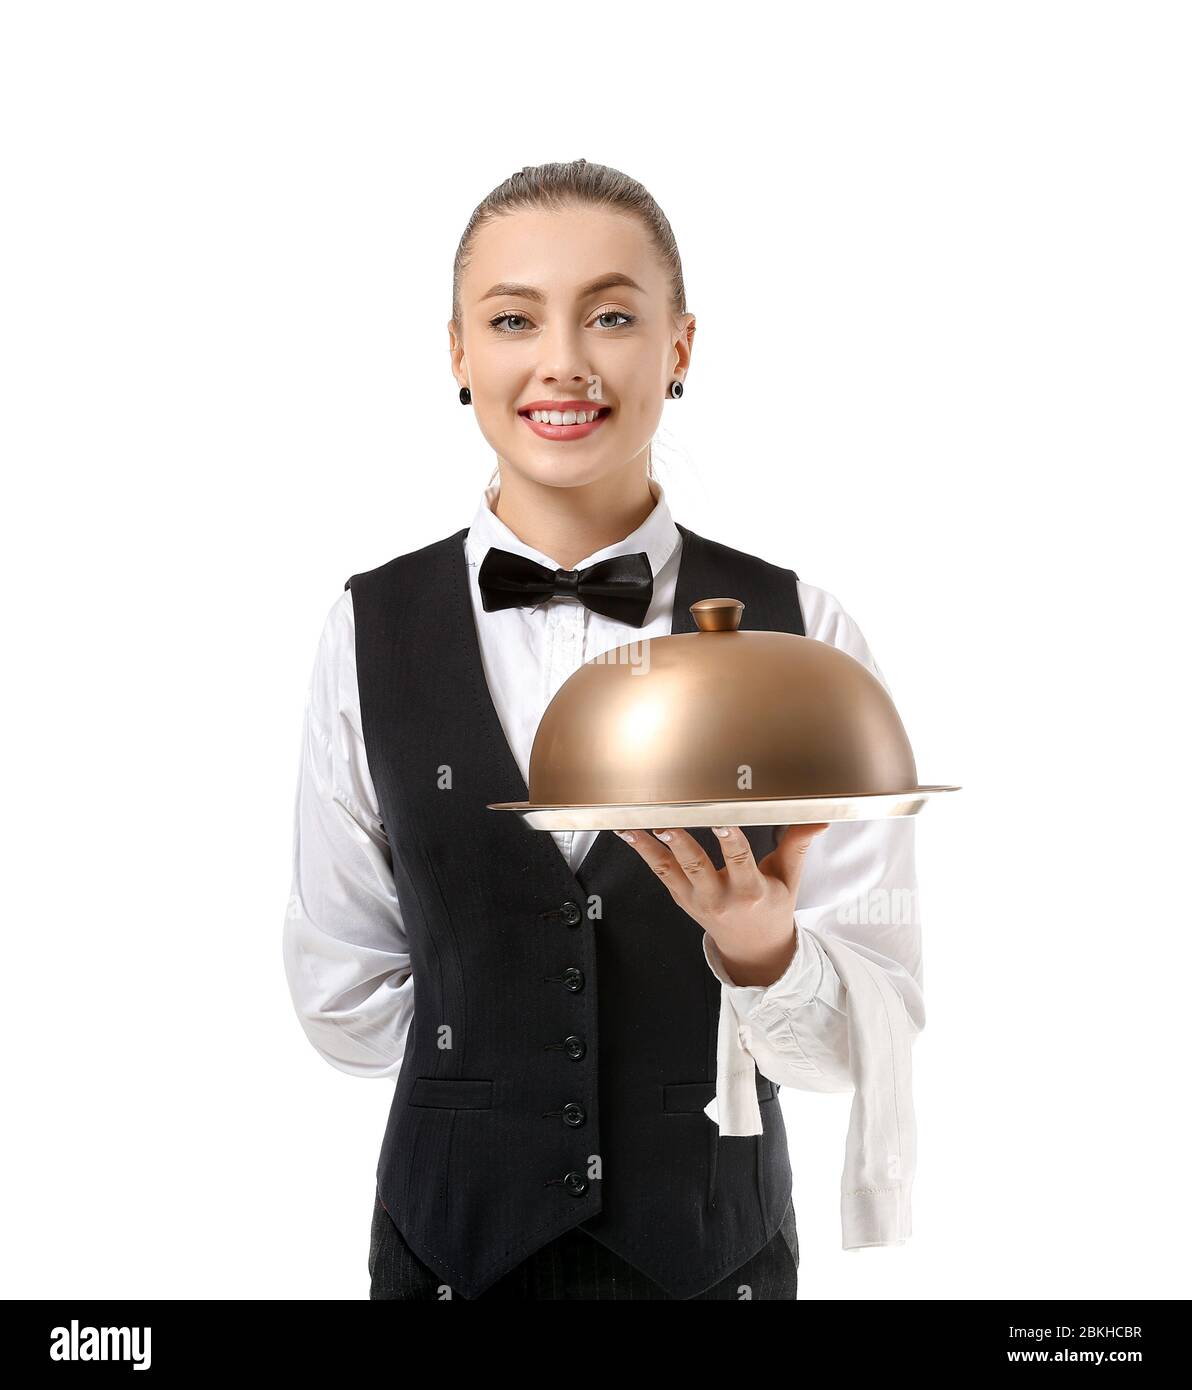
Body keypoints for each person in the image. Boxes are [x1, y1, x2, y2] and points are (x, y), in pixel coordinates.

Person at [282, 158, 925, 1301]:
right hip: (446, 1260)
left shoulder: (807, 632)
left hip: (712, 1261)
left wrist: (761, 953)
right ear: (458, 353)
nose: (563, 361)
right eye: (514, 318)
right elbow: (343, 996)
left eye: (614, 315)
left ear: (678, 347)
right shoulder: (366, 626)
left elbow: (865, 1034)